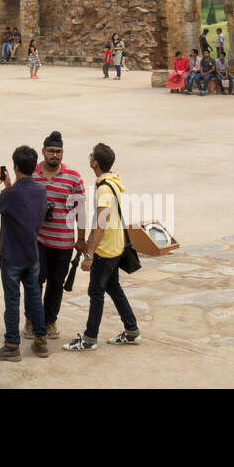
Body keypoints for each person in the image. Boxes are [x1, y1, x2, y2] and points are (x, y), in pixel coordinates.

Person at [63, 142, 141, 351]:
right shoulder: (112, 182)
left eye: (91, 155)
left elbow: (100, 225)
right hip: (116, 247)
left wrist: (89, 254)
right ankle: (132, 330)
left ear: (95, 162)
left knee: (96, 292)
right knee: (113, 288)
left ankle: (89, 338)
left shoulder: (105, 190)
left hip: (105, 251)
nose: (89, 158)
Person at [0, 146, 49, 361]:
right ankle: (41, 341)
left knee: (12, 301)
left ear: (16, 166)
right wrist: (9, 185)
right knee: (35, 298)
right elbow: (20, 203)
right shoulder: (40, 191)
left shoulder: (9, 194)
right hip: (32, 255)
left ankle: (12, 346)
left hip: (11, 256)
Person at [31, 131, 88, 341]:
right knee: (36, 281)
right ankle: (32, 318)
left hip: (64, 242)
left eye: (59, 151)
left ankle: (49, 320)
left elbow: (81, 211)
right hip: (38, 240)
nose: (55, 155)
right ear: (43, 151)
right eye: (51, 151)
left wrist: (81, 239)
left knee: (56, 283)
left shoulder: (73, 177)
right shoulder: (33, 174)